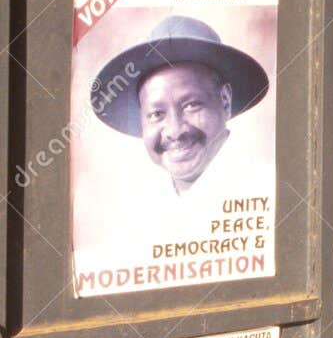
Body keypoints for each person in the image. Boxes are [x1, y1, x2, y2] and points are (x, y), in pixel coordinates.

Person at [90, 14, 270, 209]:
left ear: (225, 101)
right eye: (157, 114)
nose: (174, 131)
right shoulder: (139, 208)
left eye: (191, 105)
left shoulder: (263, 185)